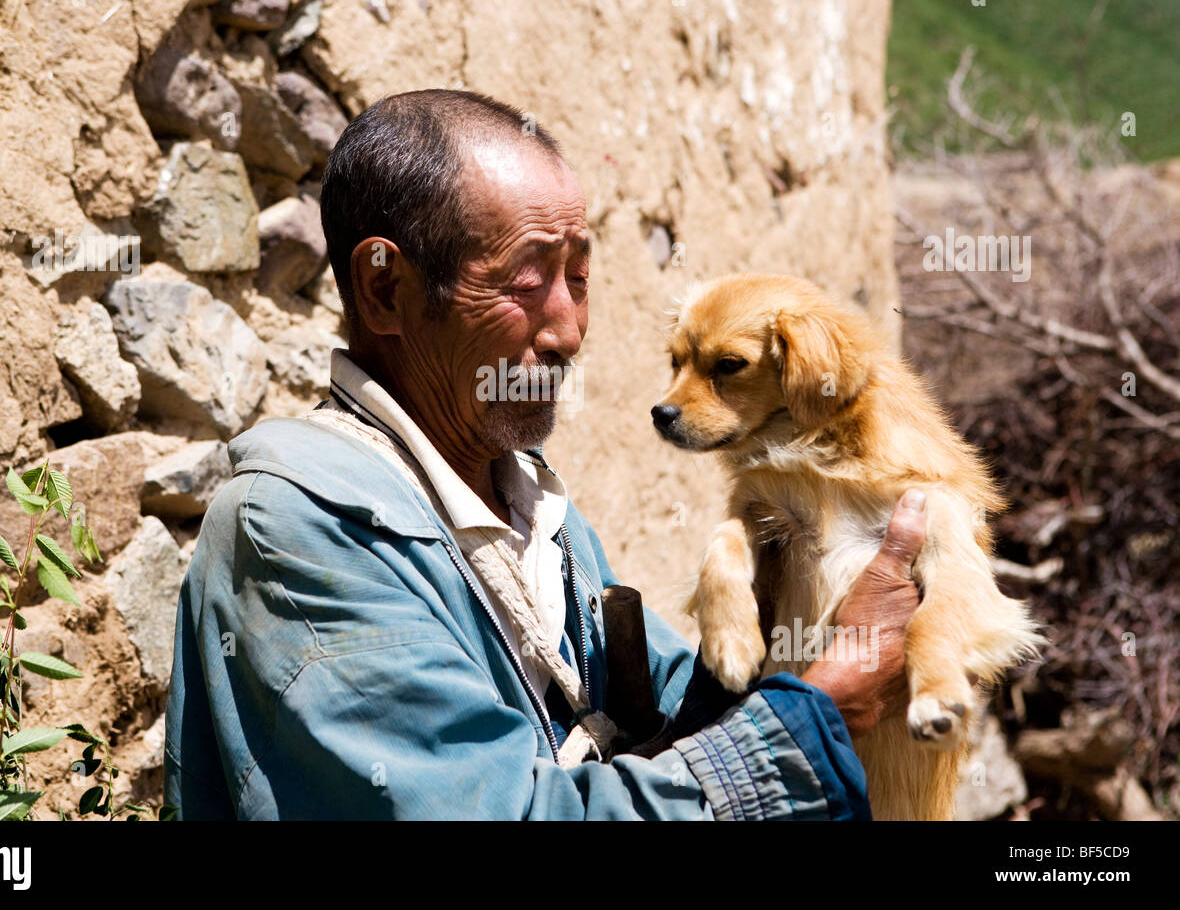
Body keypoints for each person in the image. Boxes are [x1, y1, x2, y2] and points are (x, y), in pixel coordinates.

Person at [163, 89, 927, 820]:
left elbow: (673, 716)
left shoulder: (538, 518)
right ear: (385, 289)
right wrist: (823, 714)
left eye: (580, 278)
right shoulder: (299, 531)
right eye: (528, 283)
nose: (566, 330)